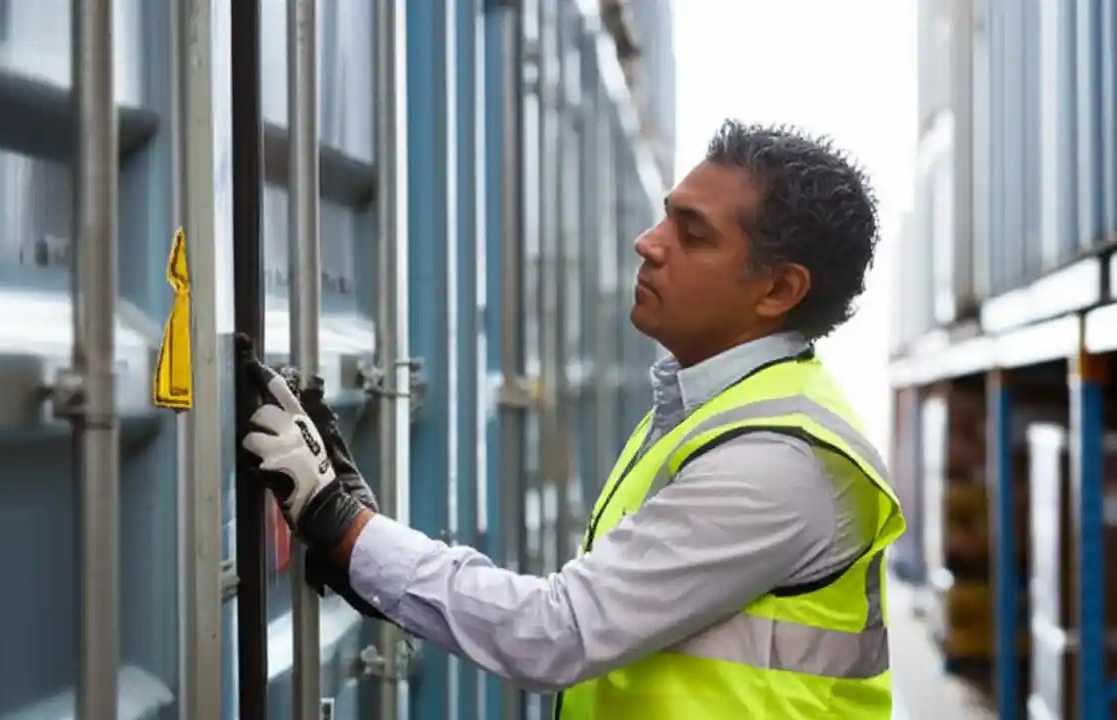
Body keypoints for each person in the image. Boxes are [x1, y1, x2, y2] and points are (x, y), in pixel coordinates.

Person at [239, 119, 904, 719]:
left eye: (692, 234)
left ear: (779, 290)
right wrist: (361, 545)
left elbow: (559, 633)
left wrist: (348, 529)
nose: (648, 243)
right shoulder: (708, 409)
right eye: (665, 217)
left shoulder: (776, 459)